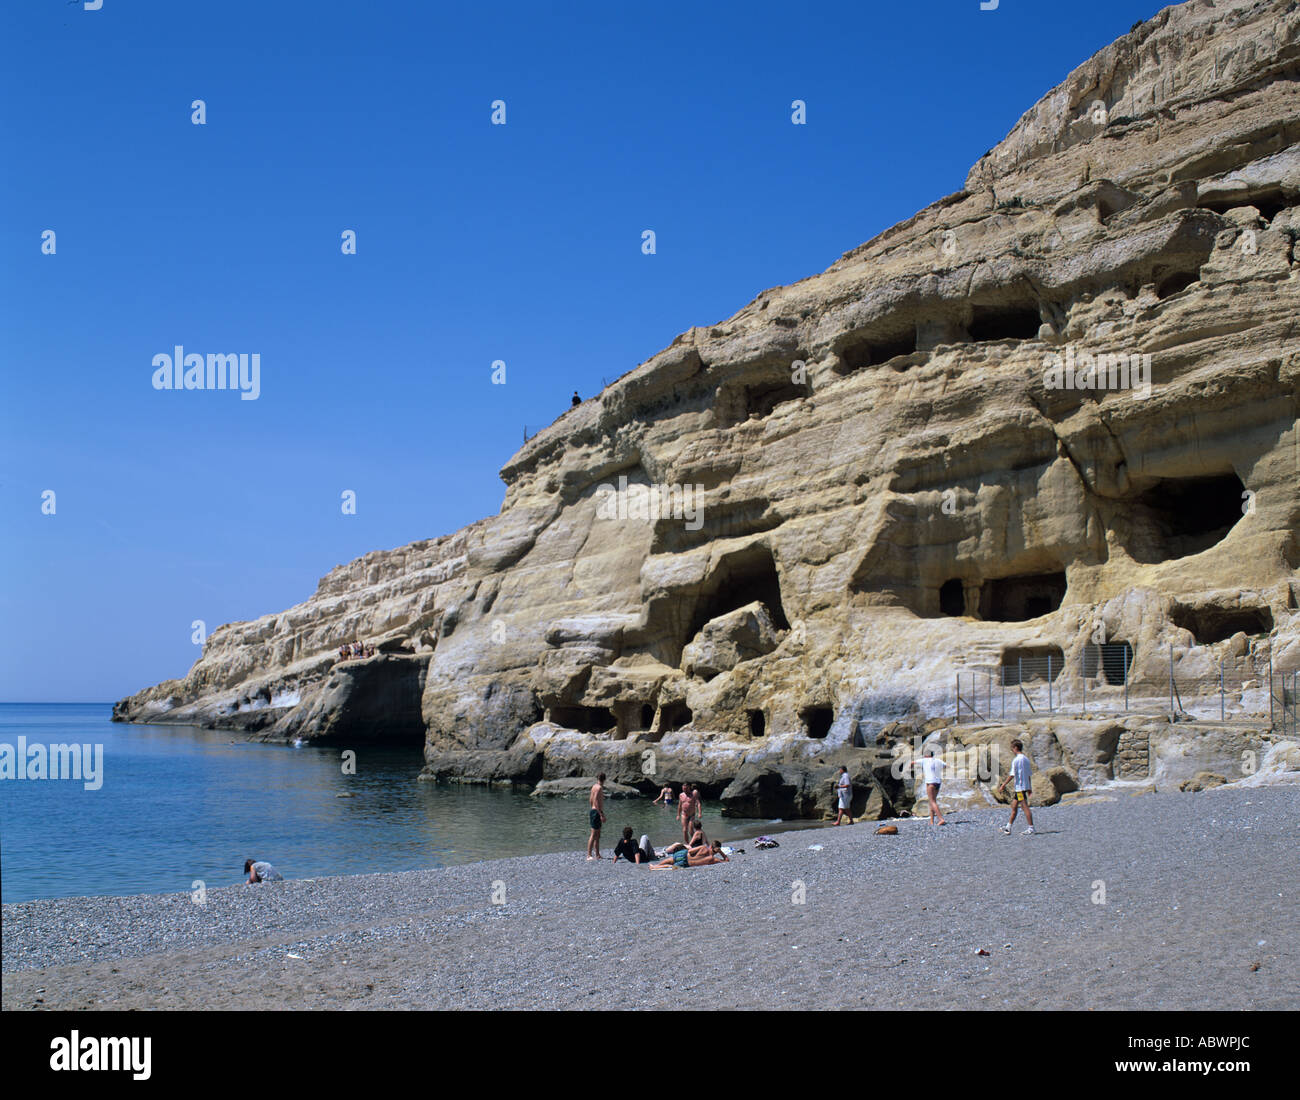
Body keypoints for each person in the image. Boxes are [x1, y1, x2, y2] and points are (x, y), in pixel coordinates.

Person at [997, 740, 1035, 835]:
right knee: (1014, 806)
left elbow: (1012, 774)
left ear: (1015, 748)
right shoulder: (1026, 759)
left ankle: (1031, 828)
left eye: (1012, 749)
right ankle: (1008, 827)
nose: (1012, 751)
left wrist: (1003, 785)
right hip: (1024, 786)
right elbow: (1028, 774)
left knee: (1024, 807)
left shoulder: (1016, 760)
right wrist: (1029, 787)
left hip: (1019, 788)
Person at [650, 841, 729, 869]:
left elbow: (690, 851)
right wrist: (721, 852)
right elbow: (726, 861)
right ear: (717, 851)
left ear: (711, 846)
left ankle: (656, 865)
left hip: (684, 855)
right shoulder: (713, 859)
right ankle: (655, 867)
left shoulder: (703, 848)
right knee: (671, 866)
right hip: (686, 864)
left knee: (670, 860)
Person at [919, 748, 946, 825]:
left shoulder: (925, 760)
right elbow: (945, 766)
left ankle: (941, 819)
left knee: (932, 801)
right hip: (938, 782)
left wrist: (910, 766)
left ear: (926, 755)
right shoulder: (937, 760)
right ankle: (931, 821)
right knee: (932, 801)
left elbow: (912, 762)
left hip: (930, 782)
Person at [586, 773, 607, 860]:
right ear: (604, 780)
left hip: (594, 811)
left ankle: (597, 854)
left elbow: (590, 800)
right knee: (593, 834)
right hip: (596, 812)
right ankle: (589, 855)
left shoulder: (594, 786)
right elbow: (595, 801)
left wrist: (593, 808)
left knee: (598, 835)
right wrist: (601, 814)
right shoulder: (599, 788)